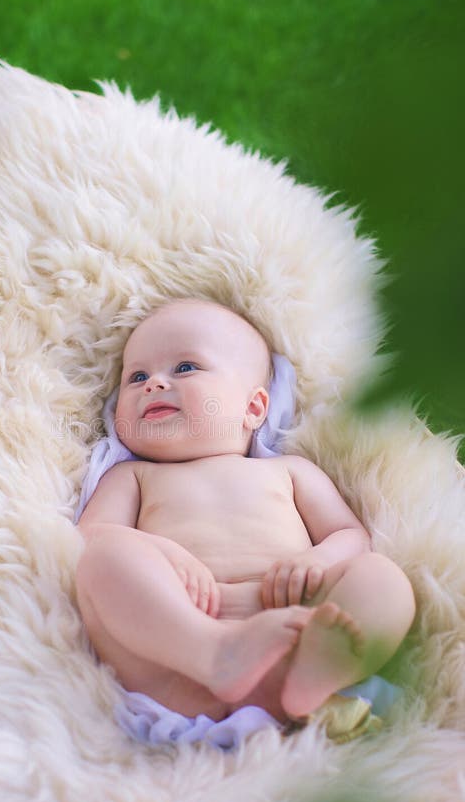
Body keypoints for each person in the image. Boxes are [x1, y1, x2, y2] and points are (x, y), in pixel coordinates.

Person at [75, 298, 415, 743]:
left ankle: (319, 670)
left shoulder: (289, 472)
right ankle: (216, 652)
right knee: (105, 561)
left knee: (382, 577)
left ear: (254, 408)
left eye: (185, 368)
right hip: (177, 659)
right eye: (136, 377)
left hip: (292, 627)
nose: (153, 384)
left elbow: (350, 535)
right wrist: (165, 552)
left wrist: (320, 558)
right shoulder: (133, 476)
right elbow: (91, 538)